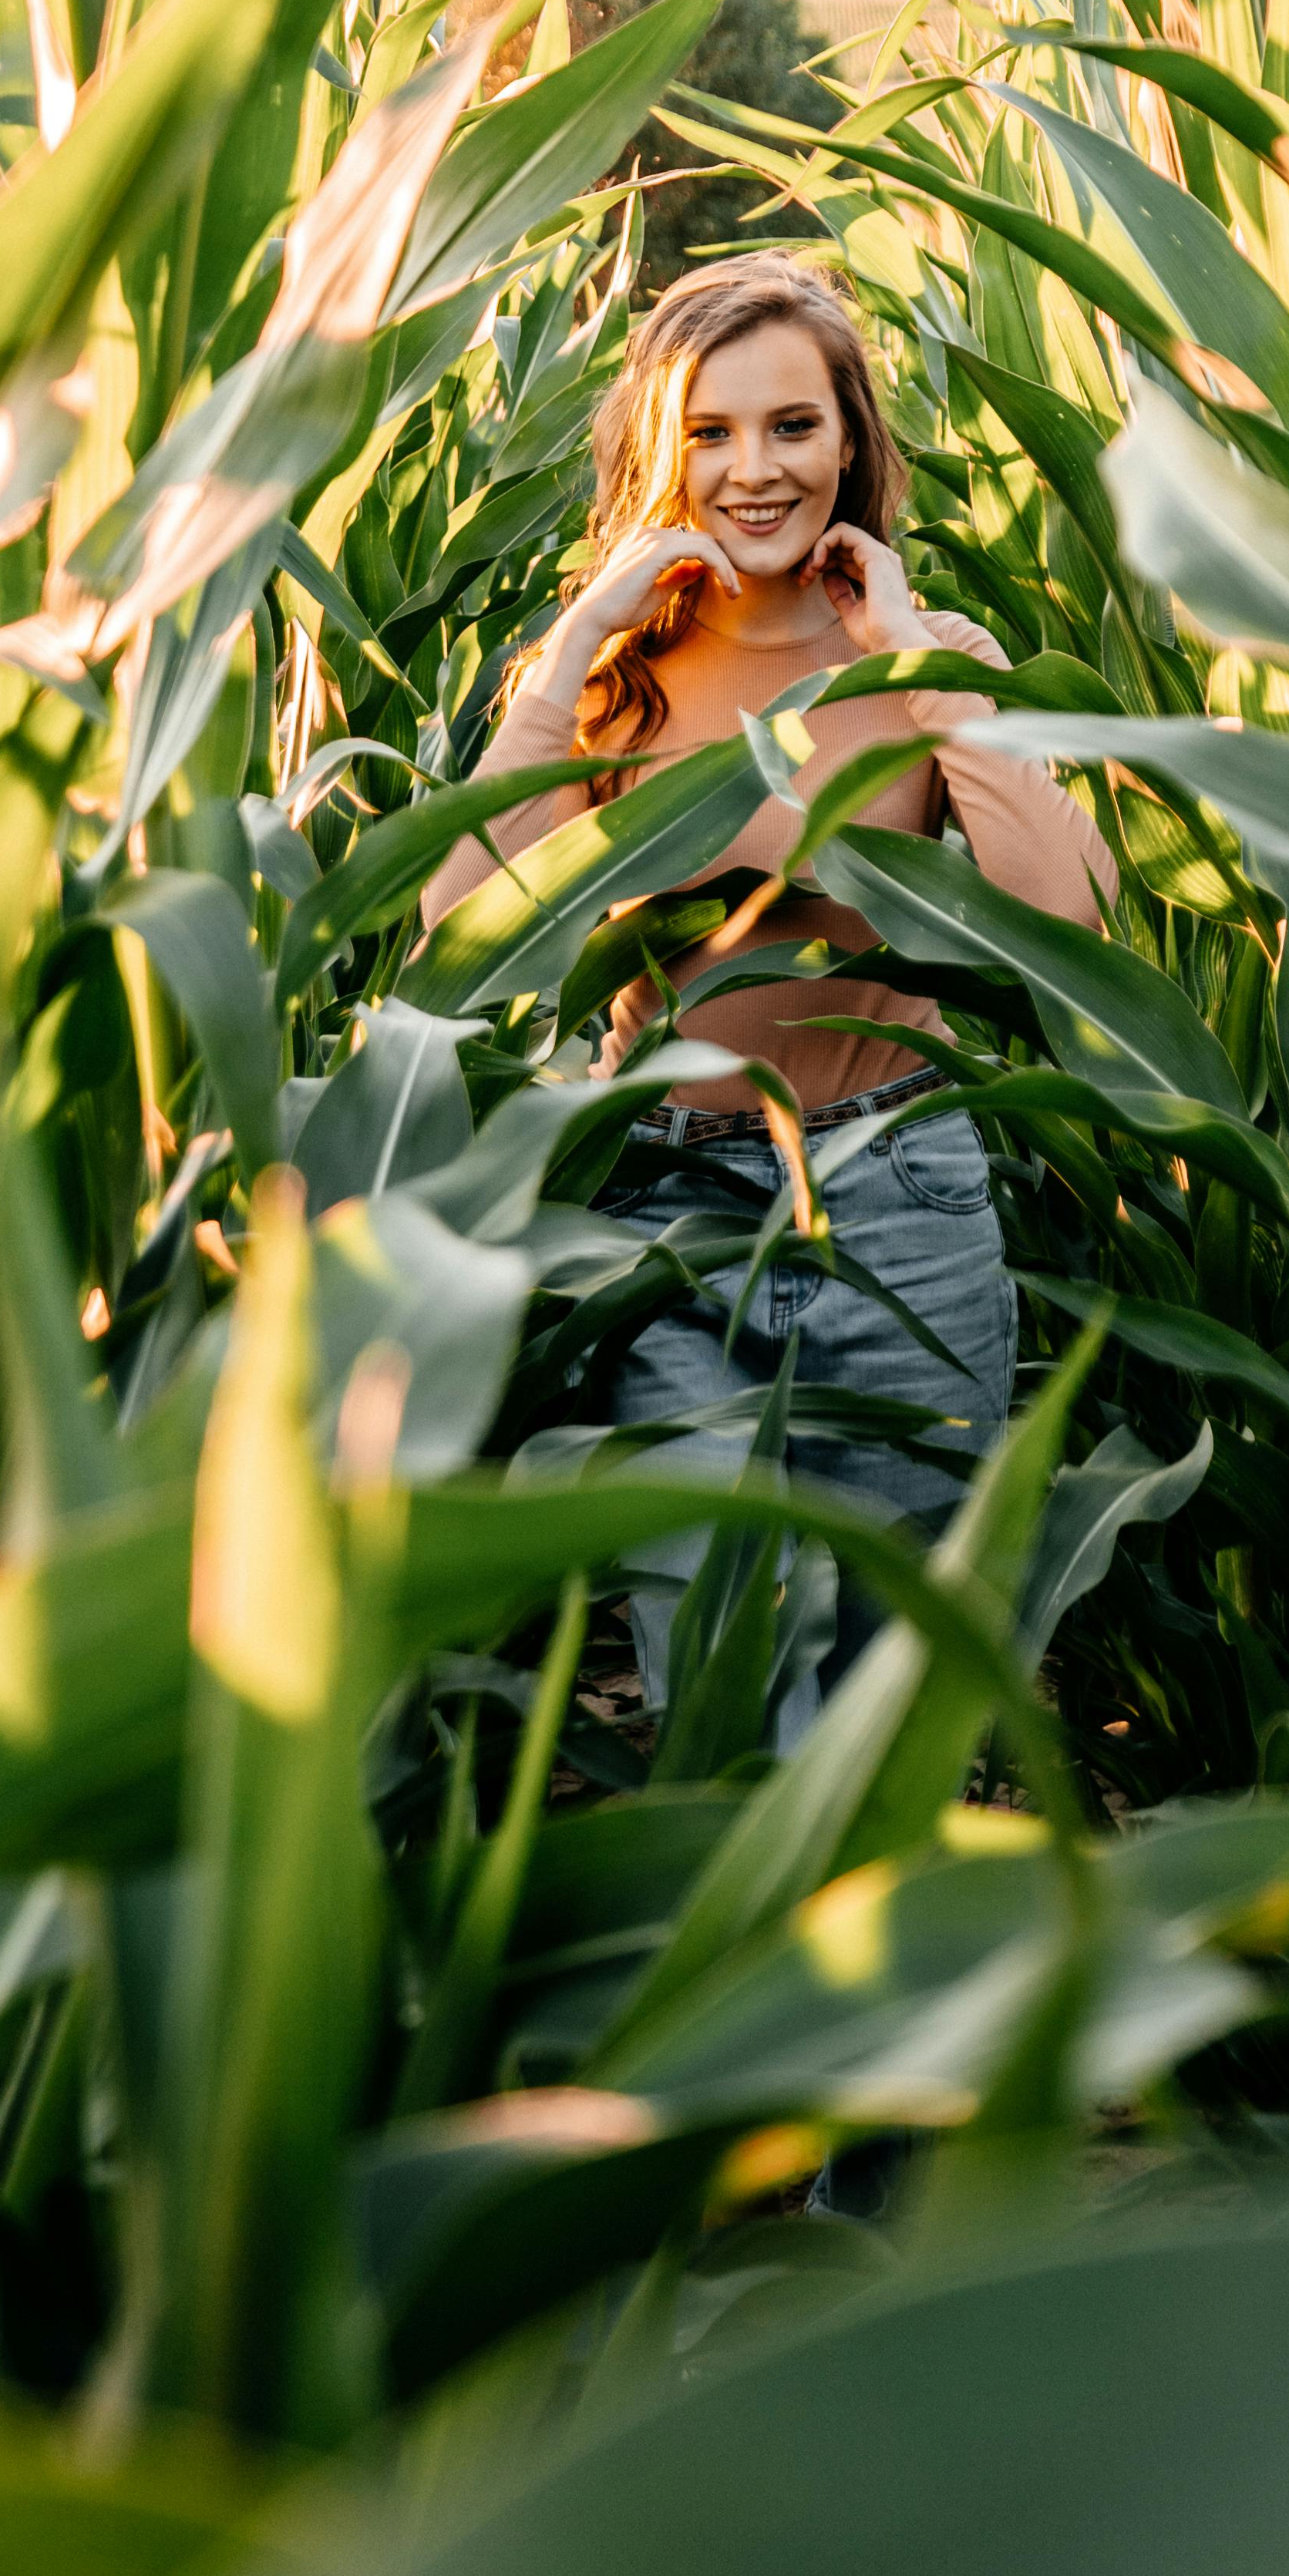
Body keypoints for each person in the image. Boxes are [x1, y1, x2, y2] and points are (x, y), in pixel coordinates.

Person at [420, 250, 1113, 1736]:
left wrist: (919, 660)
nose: (755, 471)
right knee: (717, 1677)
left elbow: (1068, 918)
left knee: (886, 1698)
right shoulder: (612, 682)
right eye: (712, 433)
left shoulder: (937, 666)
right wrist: (572, 651)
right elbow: (455, 923)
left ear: (853, 440)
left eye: (794, 426)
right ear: (662, 452)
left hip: (904, 1204)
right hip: (670, 1223)